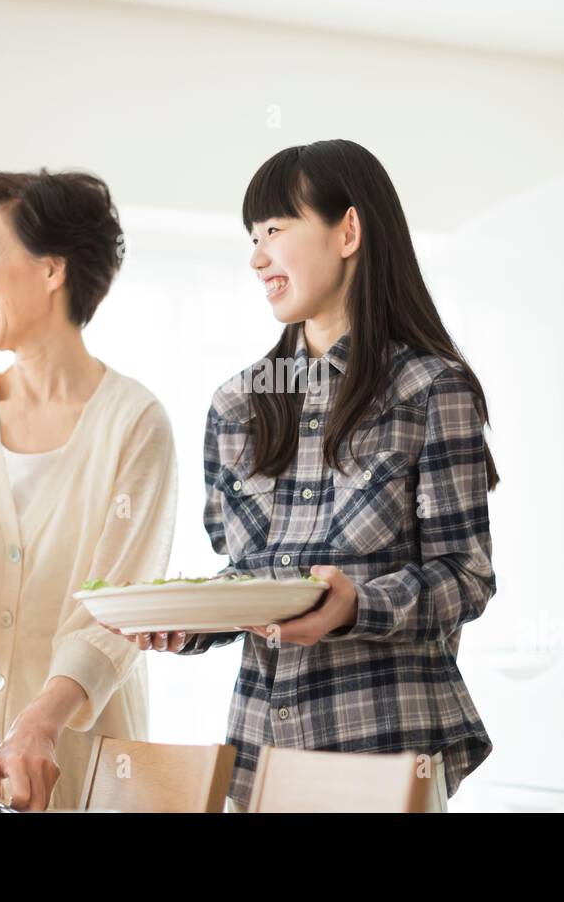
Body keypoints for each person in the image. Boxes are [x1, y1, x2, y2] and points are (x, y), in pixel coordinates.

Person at [110, 140, 498, 812]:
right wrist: (185, 623)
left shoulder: (431, 389)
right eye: (252, 237)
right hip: (262, 759)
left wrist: (358, 606)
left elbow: (466, 578)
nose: (258, 256)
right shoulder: (237, 406)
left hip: (387, 753)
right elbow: (249, 583)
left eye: (275, 230)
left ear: (348, 231)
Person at [0, 169, 177, 811]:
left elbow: (118, 610)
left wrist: (40, 723)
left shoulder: (135, 423)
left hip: (84, 772)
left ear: (52, 271)